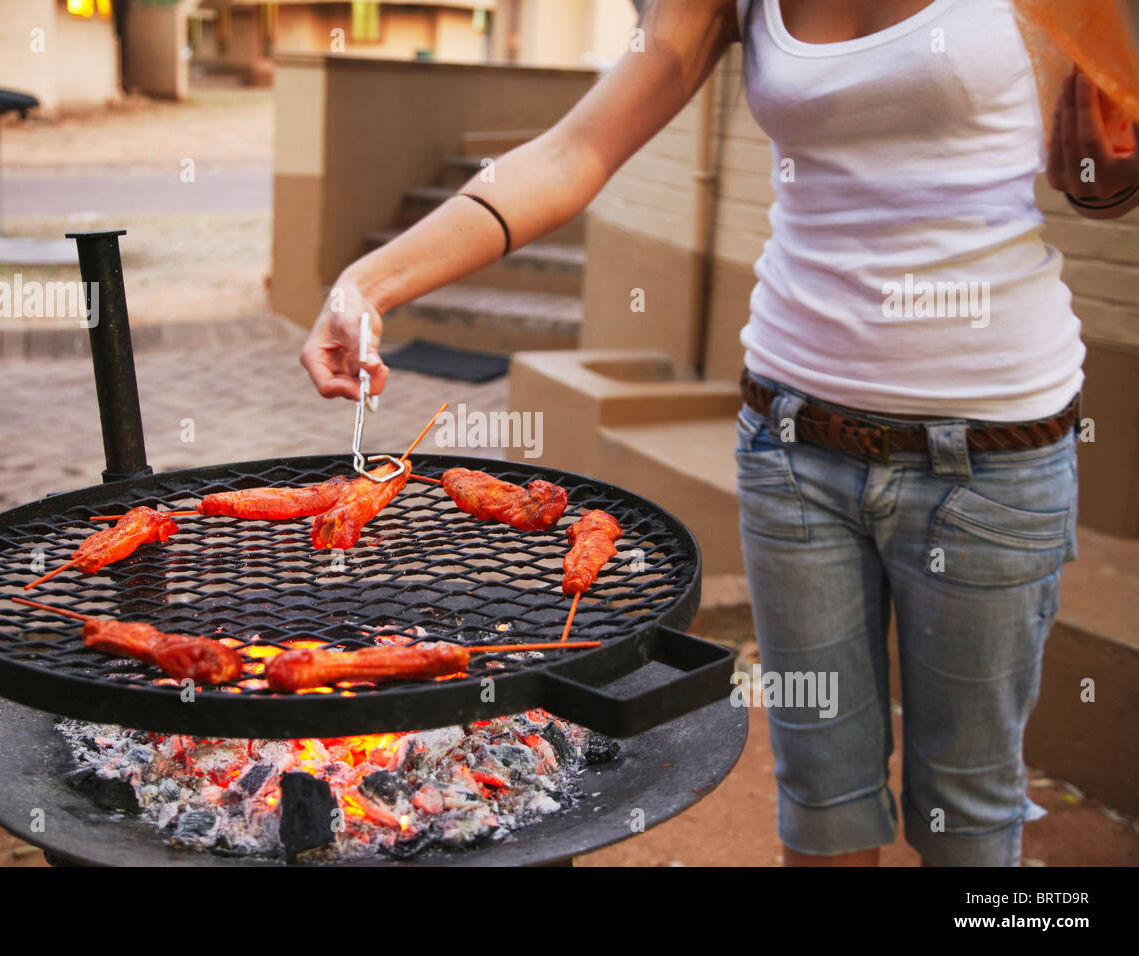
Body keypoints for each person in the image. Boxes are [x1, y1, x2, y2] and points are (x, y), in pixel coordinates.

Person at [300, 0, 1139, 865]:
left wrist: (1111, 171)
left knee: (966, 806)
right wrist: (368, 283)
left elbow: (1094, 173)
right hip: (792, 445)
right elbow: (575, 150)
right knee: (823, 798)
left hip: (987, 456)